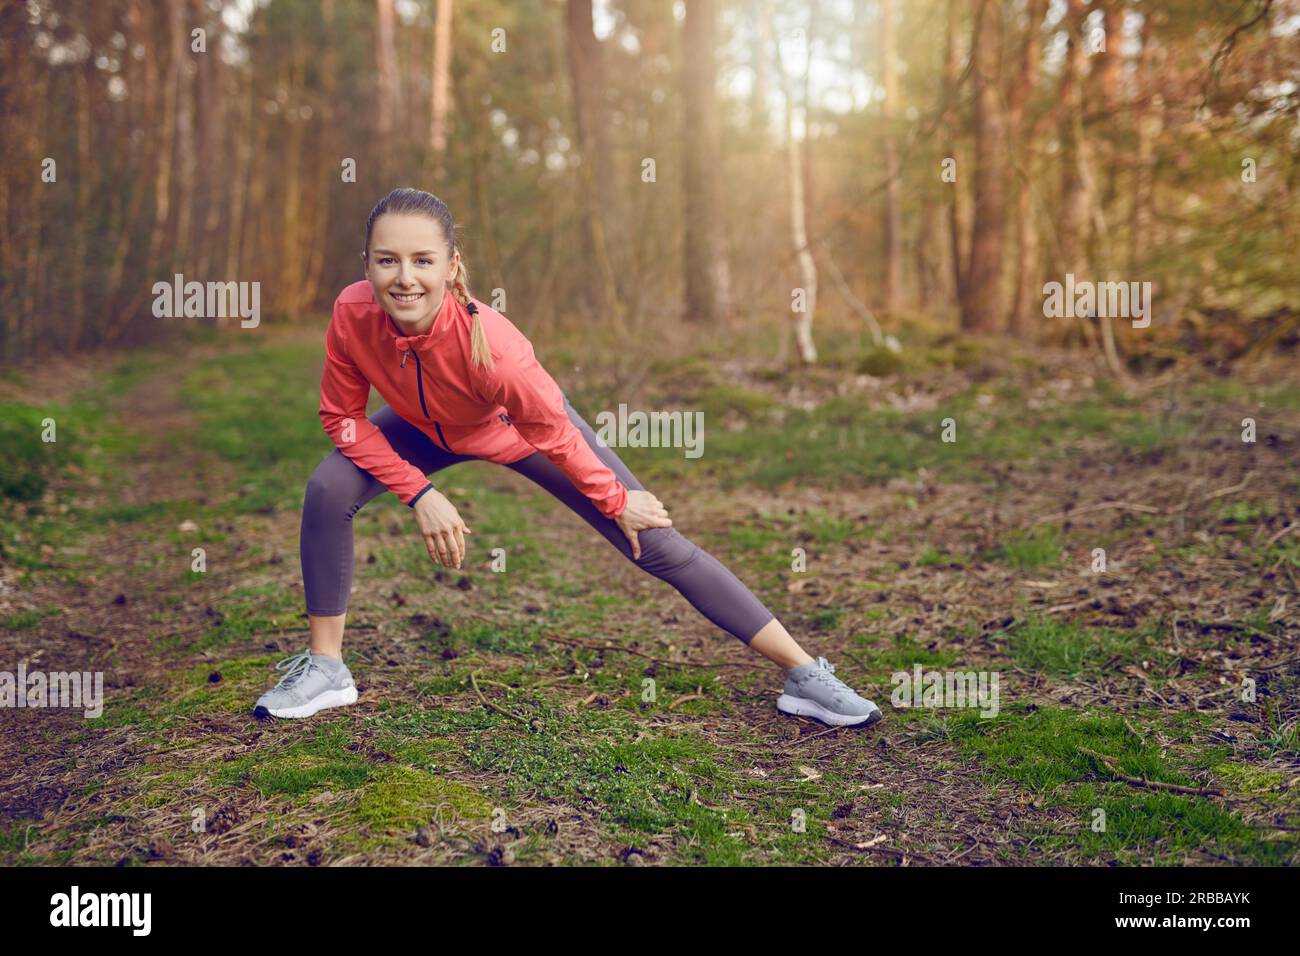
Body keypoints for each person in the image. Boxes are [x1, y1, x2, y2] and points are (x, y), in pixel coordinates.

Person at [253, 187, 882, 729]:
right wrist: (418, 491)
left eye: (423, 260)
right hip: (420, 431)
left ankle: (802, 673)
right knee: (330, 488)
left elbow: (553, 430)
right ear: (367, 264)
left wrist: (615, 498)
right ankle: (327, 670)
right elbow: (342, 417)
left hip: (518, 431)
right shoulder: (352, 311)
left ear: (452, 266)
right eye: (387, 260)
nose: (404, 277)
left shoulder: (494, 348)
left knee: (653, 540)